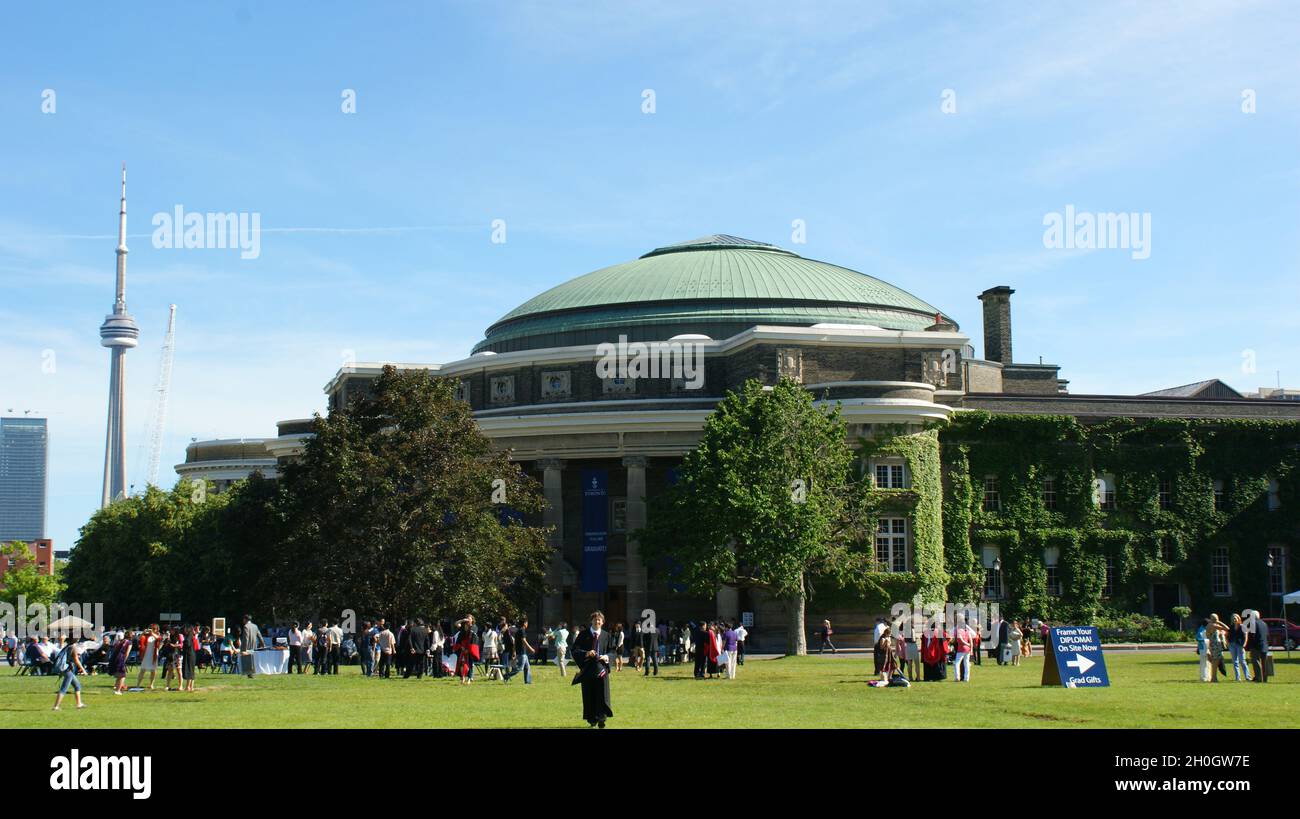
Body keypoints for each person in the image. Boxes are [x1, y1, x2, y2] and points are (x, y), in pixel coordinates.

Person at [571, 611, 613, 728]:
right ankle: (592, 719)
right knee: (589, 693)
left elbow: (613, 651)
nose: (597, 621)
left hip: (602, 669)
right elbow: (575, 650)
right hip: (588, 669)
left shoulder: (606, 635)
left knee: (602, 694)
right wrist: (586, 653)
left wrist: (607, 656)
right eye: (595, 619)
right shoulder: (583, 635)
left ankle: (602, 717)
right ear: (591, 621)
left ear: (603, 622)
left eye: (599, 620)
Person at [51, 638, 87, 711]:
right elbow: (76, 660)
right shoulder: (73, 647)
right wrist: (83, 670)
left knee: (77, 685)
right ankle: (56, 706)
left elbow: (69, 658)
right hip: (66, 669)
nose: (78, 638)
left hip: (65, 669)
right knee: (64, 688)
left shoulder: (68, 646)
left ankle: (79, 703)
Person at [505, 617, 534, 684]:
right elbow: (524, 641)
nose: (527, 624)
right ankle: (506, 675)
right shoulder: (522, 630)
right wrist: (530, 648)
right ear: (524, 623)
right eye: (527, 623)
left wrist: (514, 651)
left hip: (521, 652)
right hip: (522, 652)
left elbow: (515, 642)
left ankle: (528, 681)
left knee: (527, 667)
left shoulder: (518, 631)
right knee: (520, 668)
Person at [1245, 609, 1270, 683]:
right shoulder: (1264, 623)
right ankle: (1265, 679)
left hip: (1256, 646)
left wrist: (1249, 647)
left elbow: (1252, 636)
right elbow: (1267, 635)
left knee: (1255, 661)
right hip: (1264, 645)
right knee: (1264, 663)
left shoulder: (1253, 623)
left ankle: (1258, 677)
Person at [452, 616, 480, 684]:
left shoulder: (474, 627)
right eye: (467, 618)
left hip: (470, 648)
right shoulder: (463, 627)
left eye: (469, 619)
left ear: (472, 620)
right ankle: (463, 678)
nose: (468, 620)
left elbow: (473, 639)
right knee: (461, 664)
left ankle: (469, 678)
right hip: (462, 648)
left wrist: (469, 649)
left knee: (469, 664)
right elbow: (456, 624)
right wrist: (462, 620)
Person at [1205, 614, 1229, 683]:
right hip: (1215, 645)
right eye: (1215, 619)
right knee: (1215, 662)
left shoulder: (1210, 625)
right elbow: (1227, 628)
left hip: (1214, 645)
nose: (1216, 620)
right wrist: (1219, 622)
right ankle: (1213, 678)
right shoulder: (1213, 625)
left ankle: (1214, 677)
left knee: (1215, 661)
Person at [135, 625, 160, 689]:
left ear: (157, 630)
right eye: (151, 628)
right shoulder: (146, 635)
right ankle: (138, 684)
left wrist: (152, 633)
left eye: (154, 629)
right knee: (142, 670)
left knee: (153, 670)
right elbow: (138, 639)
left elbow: (159, 638)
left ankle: (151, 684)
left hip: (154, 655)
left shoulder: (157, 635)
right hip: (146, 654)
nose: (152, 630)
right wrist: (143, 633)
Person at [1229, 613, 1252, 682]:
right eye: (1233, 618)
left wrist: (1244, 644)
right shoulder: (1231, 626)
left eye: (1235, 618)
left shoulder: (1242, 626)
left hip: (1240, 645)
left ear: (1238, 619)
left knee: (1242, 661)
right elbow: (1228, 635)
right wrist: (1228, 644)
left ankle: (1247, 677)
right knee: (1235, 662)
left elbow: (1246, 635)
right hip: (1232, 645)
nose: (1234, 619)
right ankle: (1238, 678)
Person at [952, 618, 975, 683]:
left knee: (957, 663)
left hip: (961, 649)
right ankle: (966, 678)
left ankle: (957, 677)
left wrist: (967, 644)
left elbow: (961, 641)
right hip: (967, 650)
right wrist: (971, 648)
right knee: (966, 664)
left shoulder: (959, 631)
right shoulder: (967, 631)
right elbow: (971, 641)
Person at [110, 630, 133, 694]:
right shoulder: (129, 642)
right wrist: (124, 661)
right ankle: (118, 691)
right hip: (121, 658)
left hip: (115, 658)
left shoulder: (121, 641)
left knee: (118, 675)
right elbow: (127, 653)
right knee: (122, 676)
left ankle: (116, 689)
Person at [1195, 618, 1210, 682]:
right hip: (1203, 648)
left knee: (1205, 663)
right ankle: (1204, 677)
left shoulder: (1203, 629)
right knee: (1204, 663)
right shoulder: (1202, 629)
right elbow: (1198, 638)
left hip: (1204, 647)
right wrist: (1206, 640)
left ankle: (1205, 676)